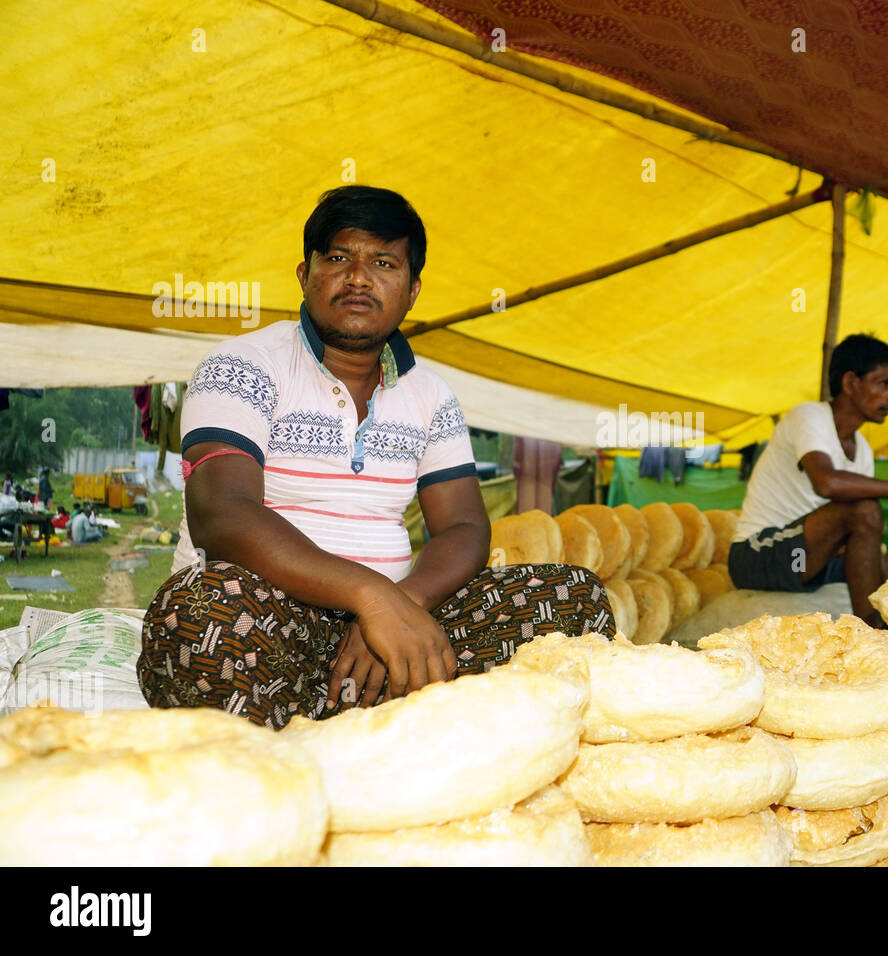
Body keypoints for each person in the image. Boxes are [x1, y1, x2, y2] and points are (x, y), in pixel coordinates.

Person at [137, 185, 613, 730]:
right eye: (339, 258)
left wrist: (401, 603)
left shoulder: (430, 395)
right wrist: (369, 596)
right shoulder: (242, 365)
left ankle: (404, 733)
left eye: (383, 263)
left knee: (568, 596)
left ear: (412, 291)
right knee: (196, 608)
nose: (359, 278)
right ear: (304, 275)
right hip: (264, 626)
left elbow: (463, 526)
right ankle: (278, 772)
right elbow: (221, 513)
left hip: (391, 642)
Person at [729, 334, 888, 629]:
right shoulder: (809, 416)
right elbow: (826, 483)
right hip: (760, 556)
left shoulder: (863, 451)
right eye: (884, 384)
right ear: (851, 383)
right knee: (864, 509)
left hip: (812, 562)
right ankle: (871, 632)